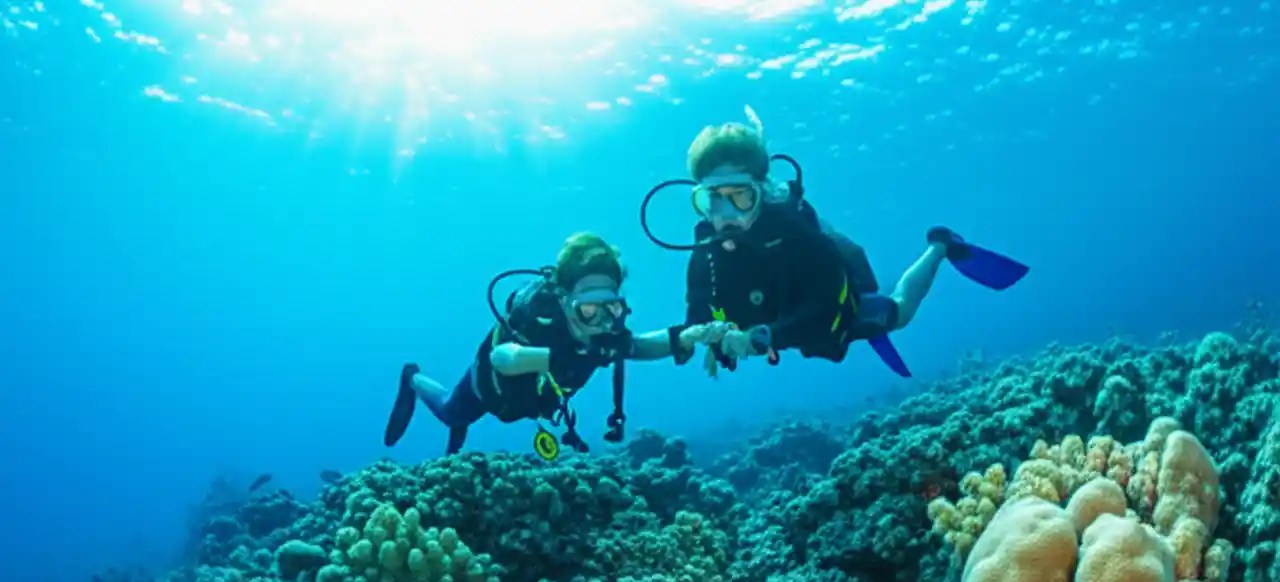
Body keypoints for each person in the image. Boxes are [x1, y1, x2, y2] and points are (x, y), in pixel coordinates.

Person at [639, 107, 1029, 377]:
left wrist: (765, 337)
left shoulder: (794, 230)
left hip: (826, 312)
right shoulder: (704, 249)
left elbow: (825, 305)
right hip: (768, 327)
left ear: (761, 190)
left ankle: (941, 246)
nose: (725, 214)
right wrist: (703, 334)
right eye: (712, 199)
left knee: (899, 313)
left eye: (739, 196)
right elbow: (700, 308)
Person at [383, 232, 728, 459]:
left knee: (457, 428)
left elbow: (636, 347)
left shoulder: (606, 330)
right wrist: (552, 358)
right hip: (488, 391)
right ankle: (412, 379)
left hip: (531, 402)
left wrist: (685, 336)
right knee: (450, 414)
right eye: (588, 308)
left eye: (612, 307)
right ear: (564, 300)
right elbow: (501, 358)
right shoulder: (540, 319)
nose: (602, 320)